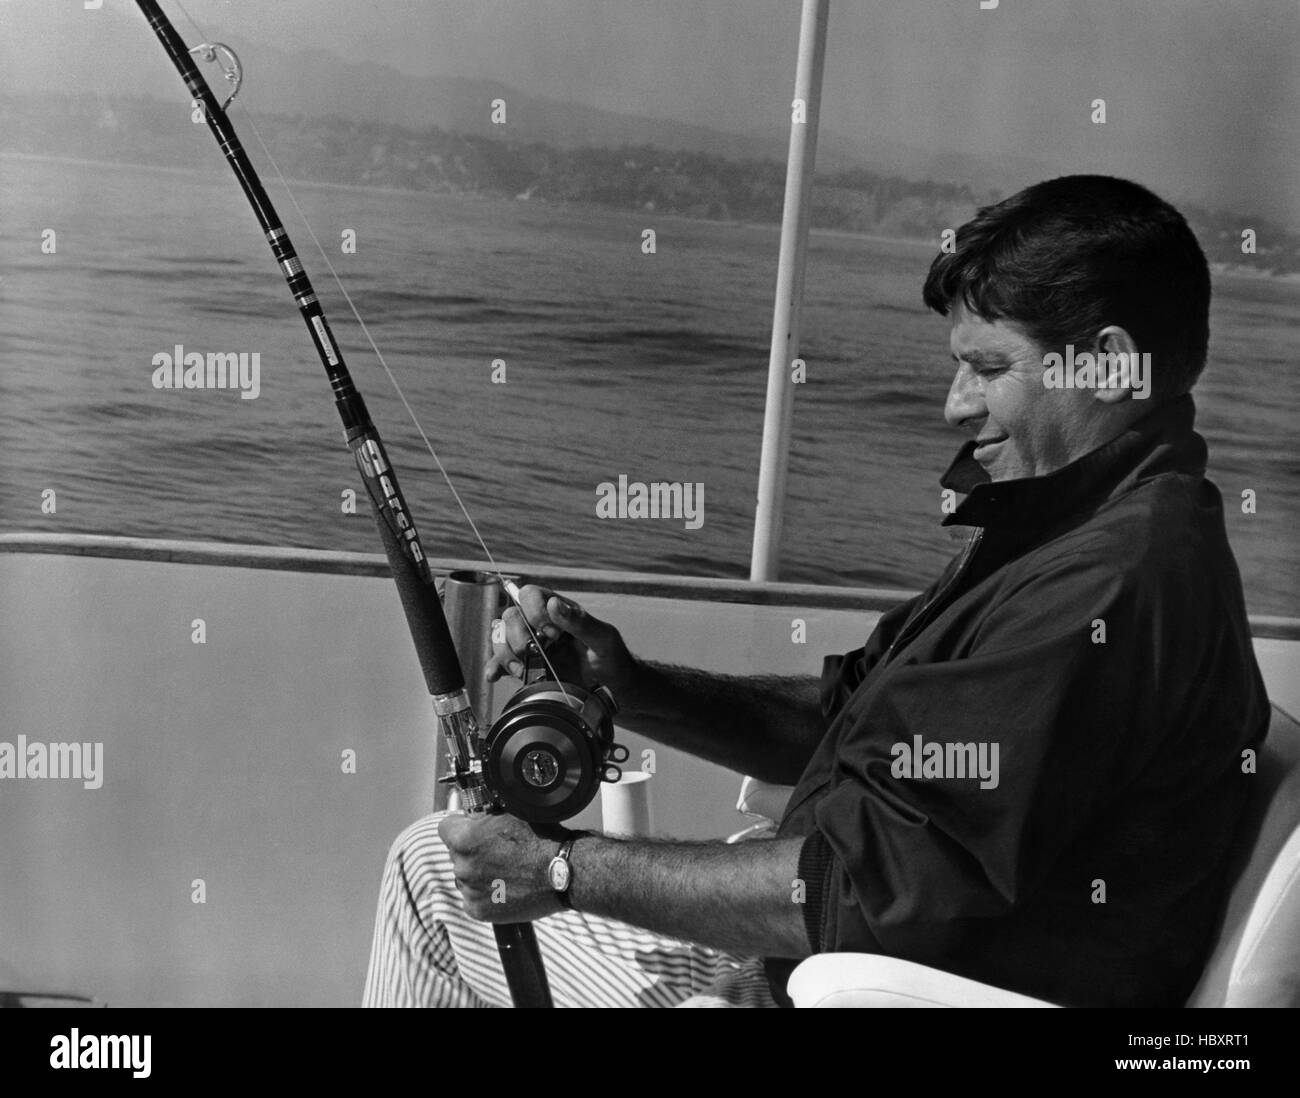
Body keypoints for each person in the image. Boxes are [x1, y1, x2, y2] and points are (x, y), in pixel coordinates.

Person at [363, 174, 1269, 1008]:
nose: (955, 405)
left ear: (1108, 366)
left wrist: (559, 872)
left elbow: (868, 890)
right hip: (836, 954)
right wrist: (627, 685)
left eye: (989, 368)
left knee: (426, 872)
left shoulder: (1104, 585)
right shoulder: (1079, 529)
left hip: (853, 986)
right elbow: (845, 716)